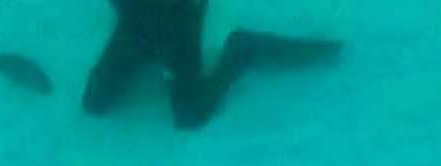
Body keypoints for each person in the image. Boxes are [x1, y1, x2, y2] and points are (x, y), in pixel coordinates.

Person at [82, 0, 343, 129]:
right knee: (94, 103)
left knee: (189, 114)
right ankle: (144, 45)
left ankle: (241, 51)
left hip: (176, 19)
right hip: (138, 18)